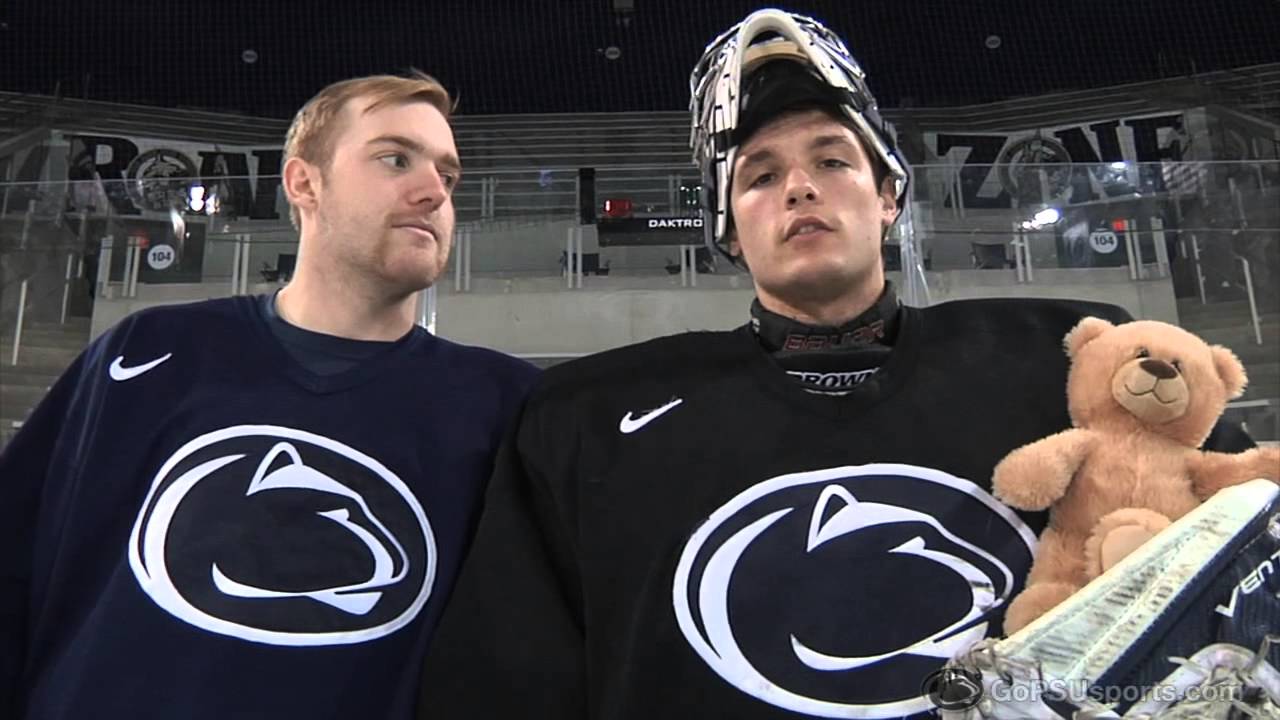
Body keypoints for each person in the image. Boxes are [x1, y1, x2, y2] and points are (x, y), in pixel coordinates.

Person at [416, 10, 1258, 720]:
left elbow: (1245, 548)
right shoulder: (588, 416)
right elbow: (506, 683)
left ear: (888, 194)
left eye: (831, 160)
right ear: (726, 225)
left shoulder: (1072, 360)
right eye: (760, 175)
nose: (799, 189)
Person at [0, 71, 537, 720]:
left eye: (447, 177)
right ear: (304, 183)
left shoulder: (507, 407)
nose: (433, 192)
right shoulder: (149, 353)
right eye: (395, 158)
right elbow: (19, 569)